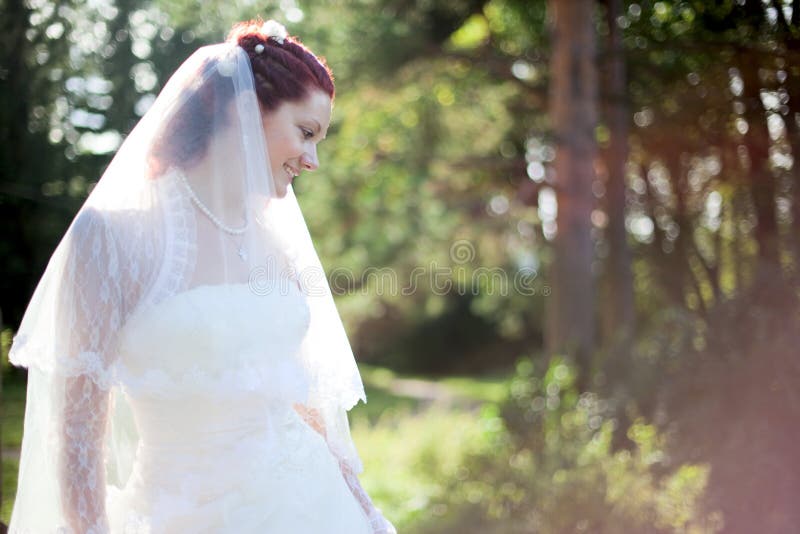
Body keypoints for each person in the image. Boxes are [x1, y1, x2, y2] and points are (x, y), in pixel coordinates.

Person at [7, 19, 396, 533]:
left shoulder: (276, 246)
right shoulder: (115, 237)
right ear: (242, 110)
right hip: (181, 514)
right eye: (306, 132)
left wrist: (361, 506)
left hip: (313, 507)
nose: (313, 159)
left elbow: (299, 397)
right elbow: (78, 428)